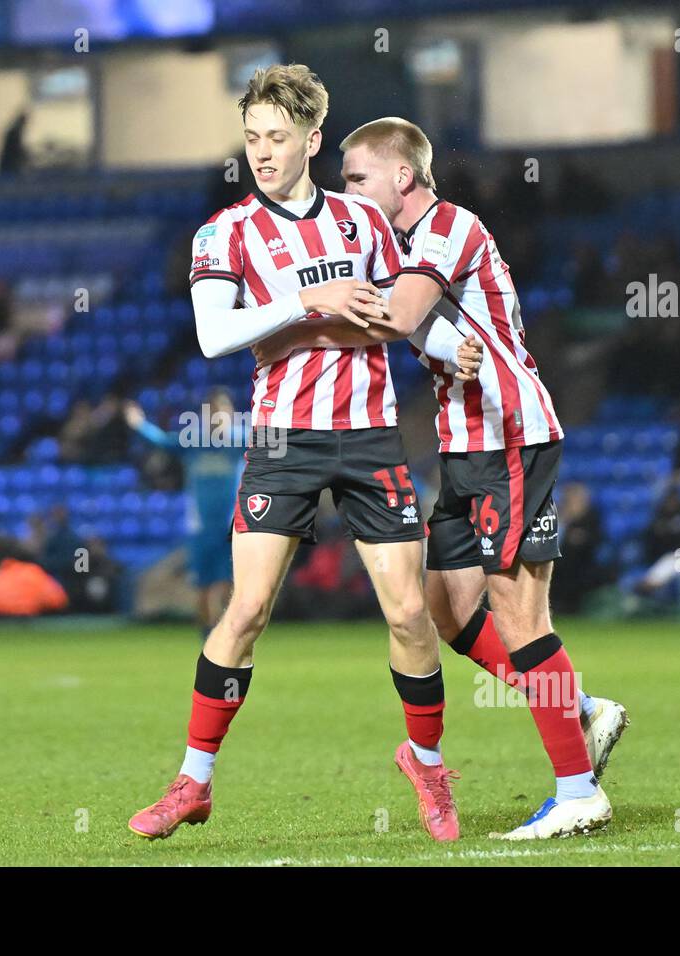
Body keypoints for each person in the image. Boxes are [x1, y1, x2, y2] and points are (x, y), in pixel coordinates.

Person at [257, 116, 626, 840]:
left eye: (357, 178)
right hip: (468, 448)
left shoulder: (449, 226)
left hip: (508, 437)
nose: (347, 192)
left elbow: (396, 317)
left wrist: (304, 307)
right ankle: (581, 708)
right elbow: (403, 316)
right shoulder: (401, 246)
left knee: (521, 618)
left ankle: (579, 790)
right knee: (445, 611)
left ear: (402, 177)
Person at [129, 64, 460, 844]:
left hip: (371, 432)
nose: (262, 153)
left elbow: (402, 314)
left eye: (278, 138)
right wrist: (302, 301)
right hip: (282, 437)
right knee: (245, 610)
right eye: (251, 139)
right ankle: (193, 781)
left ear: (313, 140)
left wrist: (452, 344)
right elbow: (214, 334)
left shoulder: (365, 224)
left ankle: (427, 762)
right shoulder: (227, 232)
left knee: (410, 612)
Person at [124, 388, 244, 637]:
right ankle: (206, 635)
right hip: (200, 527)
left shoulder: (241, 440)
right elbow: (161, 441)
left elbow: (277, 441)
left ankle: (225, 635)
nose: (217, 418)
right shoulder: (192, 442)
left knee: (227, 584)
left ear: (231, 415)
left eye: (221, 412)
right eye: (212, 412)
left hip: (231, 527)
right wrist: (139, 425)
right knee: (202, 586)